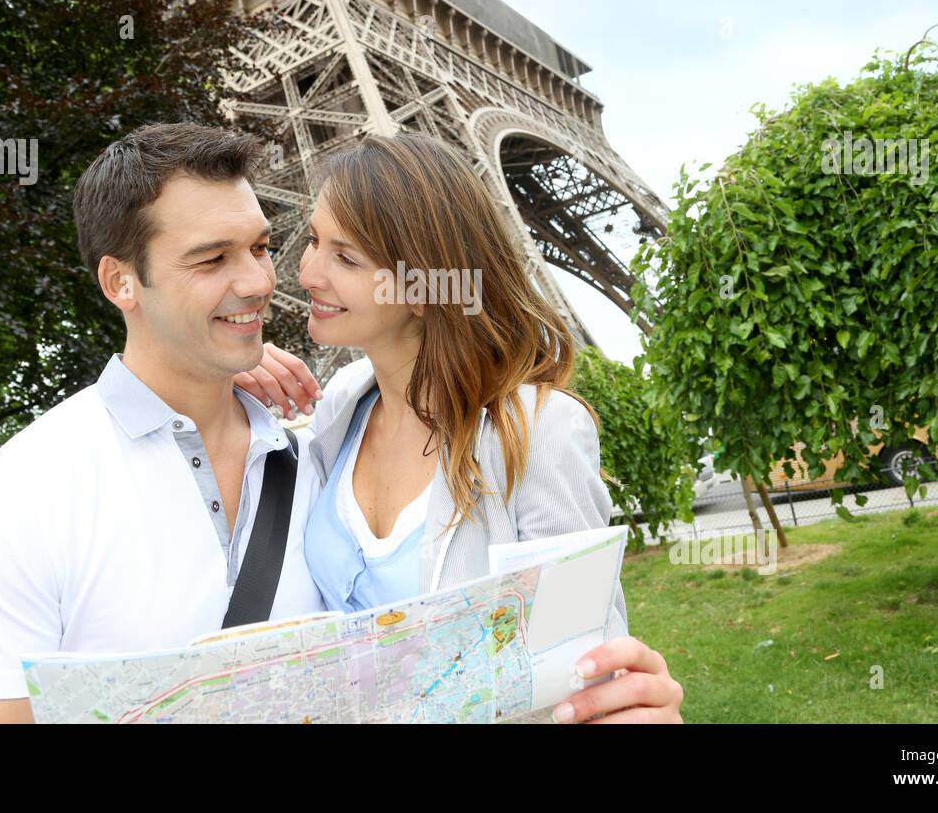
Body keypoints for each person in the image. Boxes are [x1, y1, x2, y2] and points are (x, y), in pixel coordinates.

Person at [236, 134, 683, 724]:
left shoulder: (537, 431)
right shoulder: (338, 412)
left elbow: (582, 663)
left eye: (346, 258)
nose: (307, 271)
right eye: (315, 239)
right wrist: (227, 371)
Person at [0, 124, 327, 723]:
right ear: (120, 282)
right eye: (212, 259)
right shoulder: (18, 496)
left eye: (260, 248)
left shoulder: (319, 456)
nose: (260, 283)